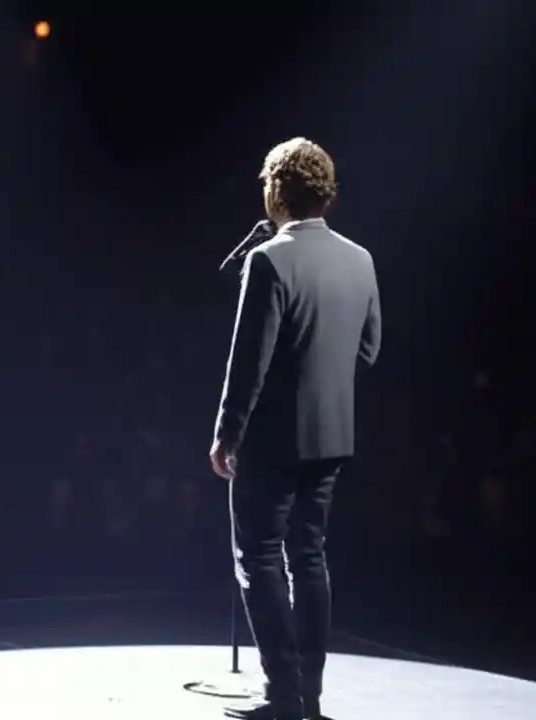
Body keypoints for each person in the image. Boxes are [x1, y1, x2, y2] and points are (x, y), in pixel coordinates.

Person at [210, 137, 381, 720]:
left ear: (277, 191)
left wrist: (227, 433)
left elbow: (248, 362)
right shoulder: (360, 259)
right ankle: (308, 695)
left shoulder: (268, 260)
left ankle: (283, 695)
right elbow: (368, 349)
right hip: (332, 434)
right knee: (308, 556)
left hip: (272, 439)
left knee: (258, 557)